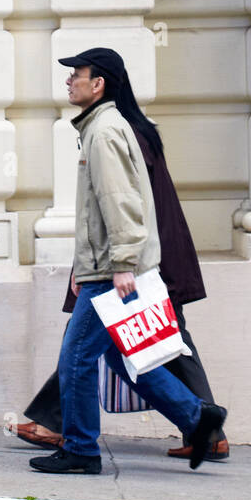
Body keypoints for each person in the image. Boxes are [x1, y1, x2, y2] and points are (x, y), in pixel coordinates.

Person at [16, 48, 228, 461]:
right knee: (125, 357)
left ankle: (79, 450)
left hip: (110, 273)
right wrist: (83, 265)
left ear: (98, 84)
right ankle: (197, 418)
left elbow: (119, 202)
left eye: (76, 74)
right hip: (100, 268)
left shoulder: (105, 132)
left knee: (76, 359)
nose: (68, 80)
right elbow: (100, 210)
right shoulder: (102, 126)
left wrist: (122, 265)